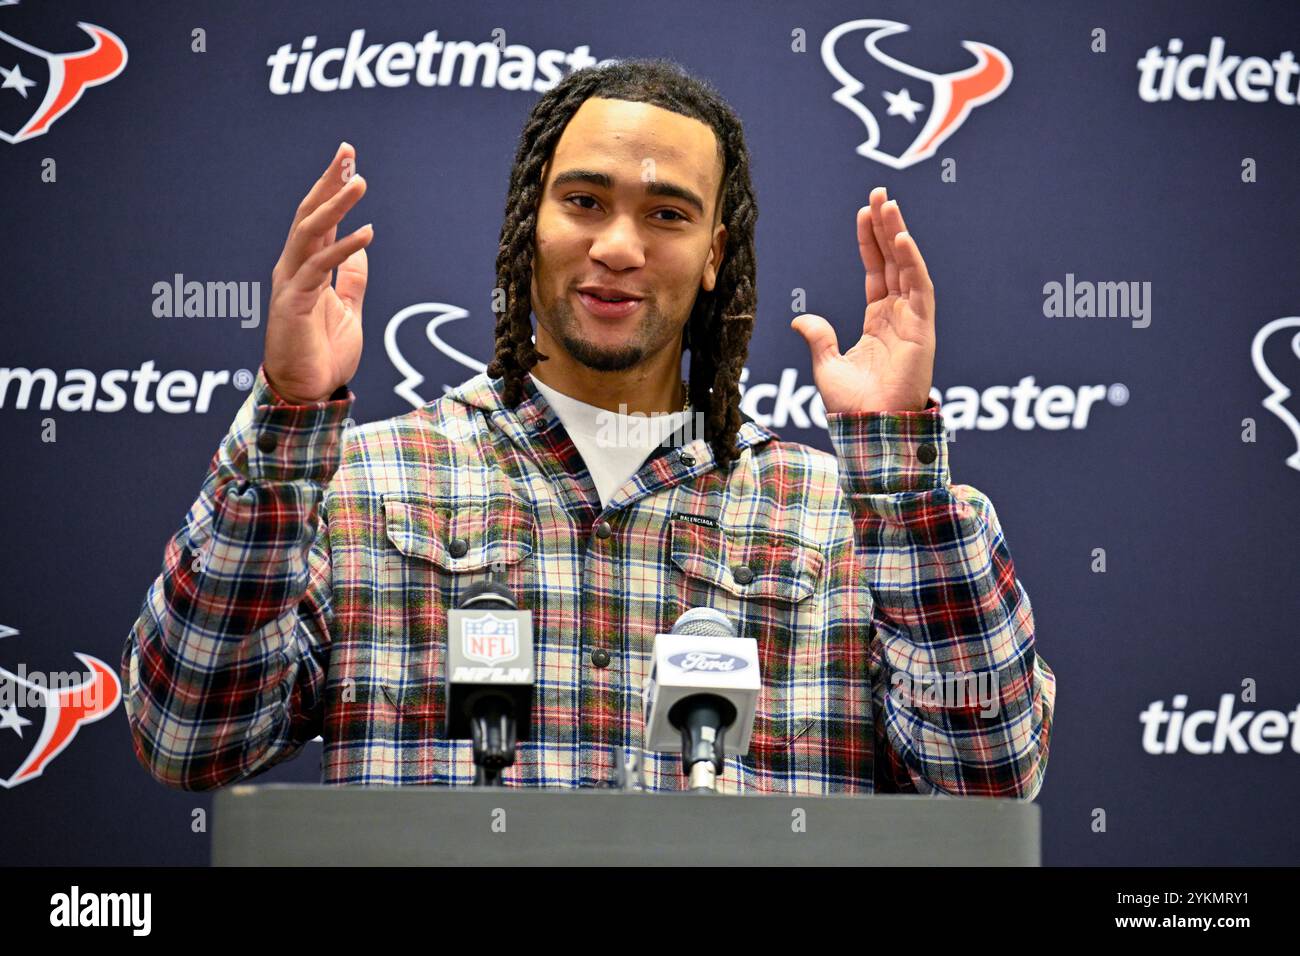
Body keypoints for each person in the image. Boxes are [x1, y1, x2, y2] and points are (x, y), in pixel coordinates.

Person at [121, 58, 1055, 795]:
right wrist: (287, 419)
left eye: (667, 214)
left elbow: (990, 777)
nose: (617, 245)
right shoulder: (366, 484)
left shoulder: (842, 517)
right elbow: (187, 737)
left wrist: (897, 473)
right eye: (584, 202)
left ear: (715, 256)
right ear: (531, 221)